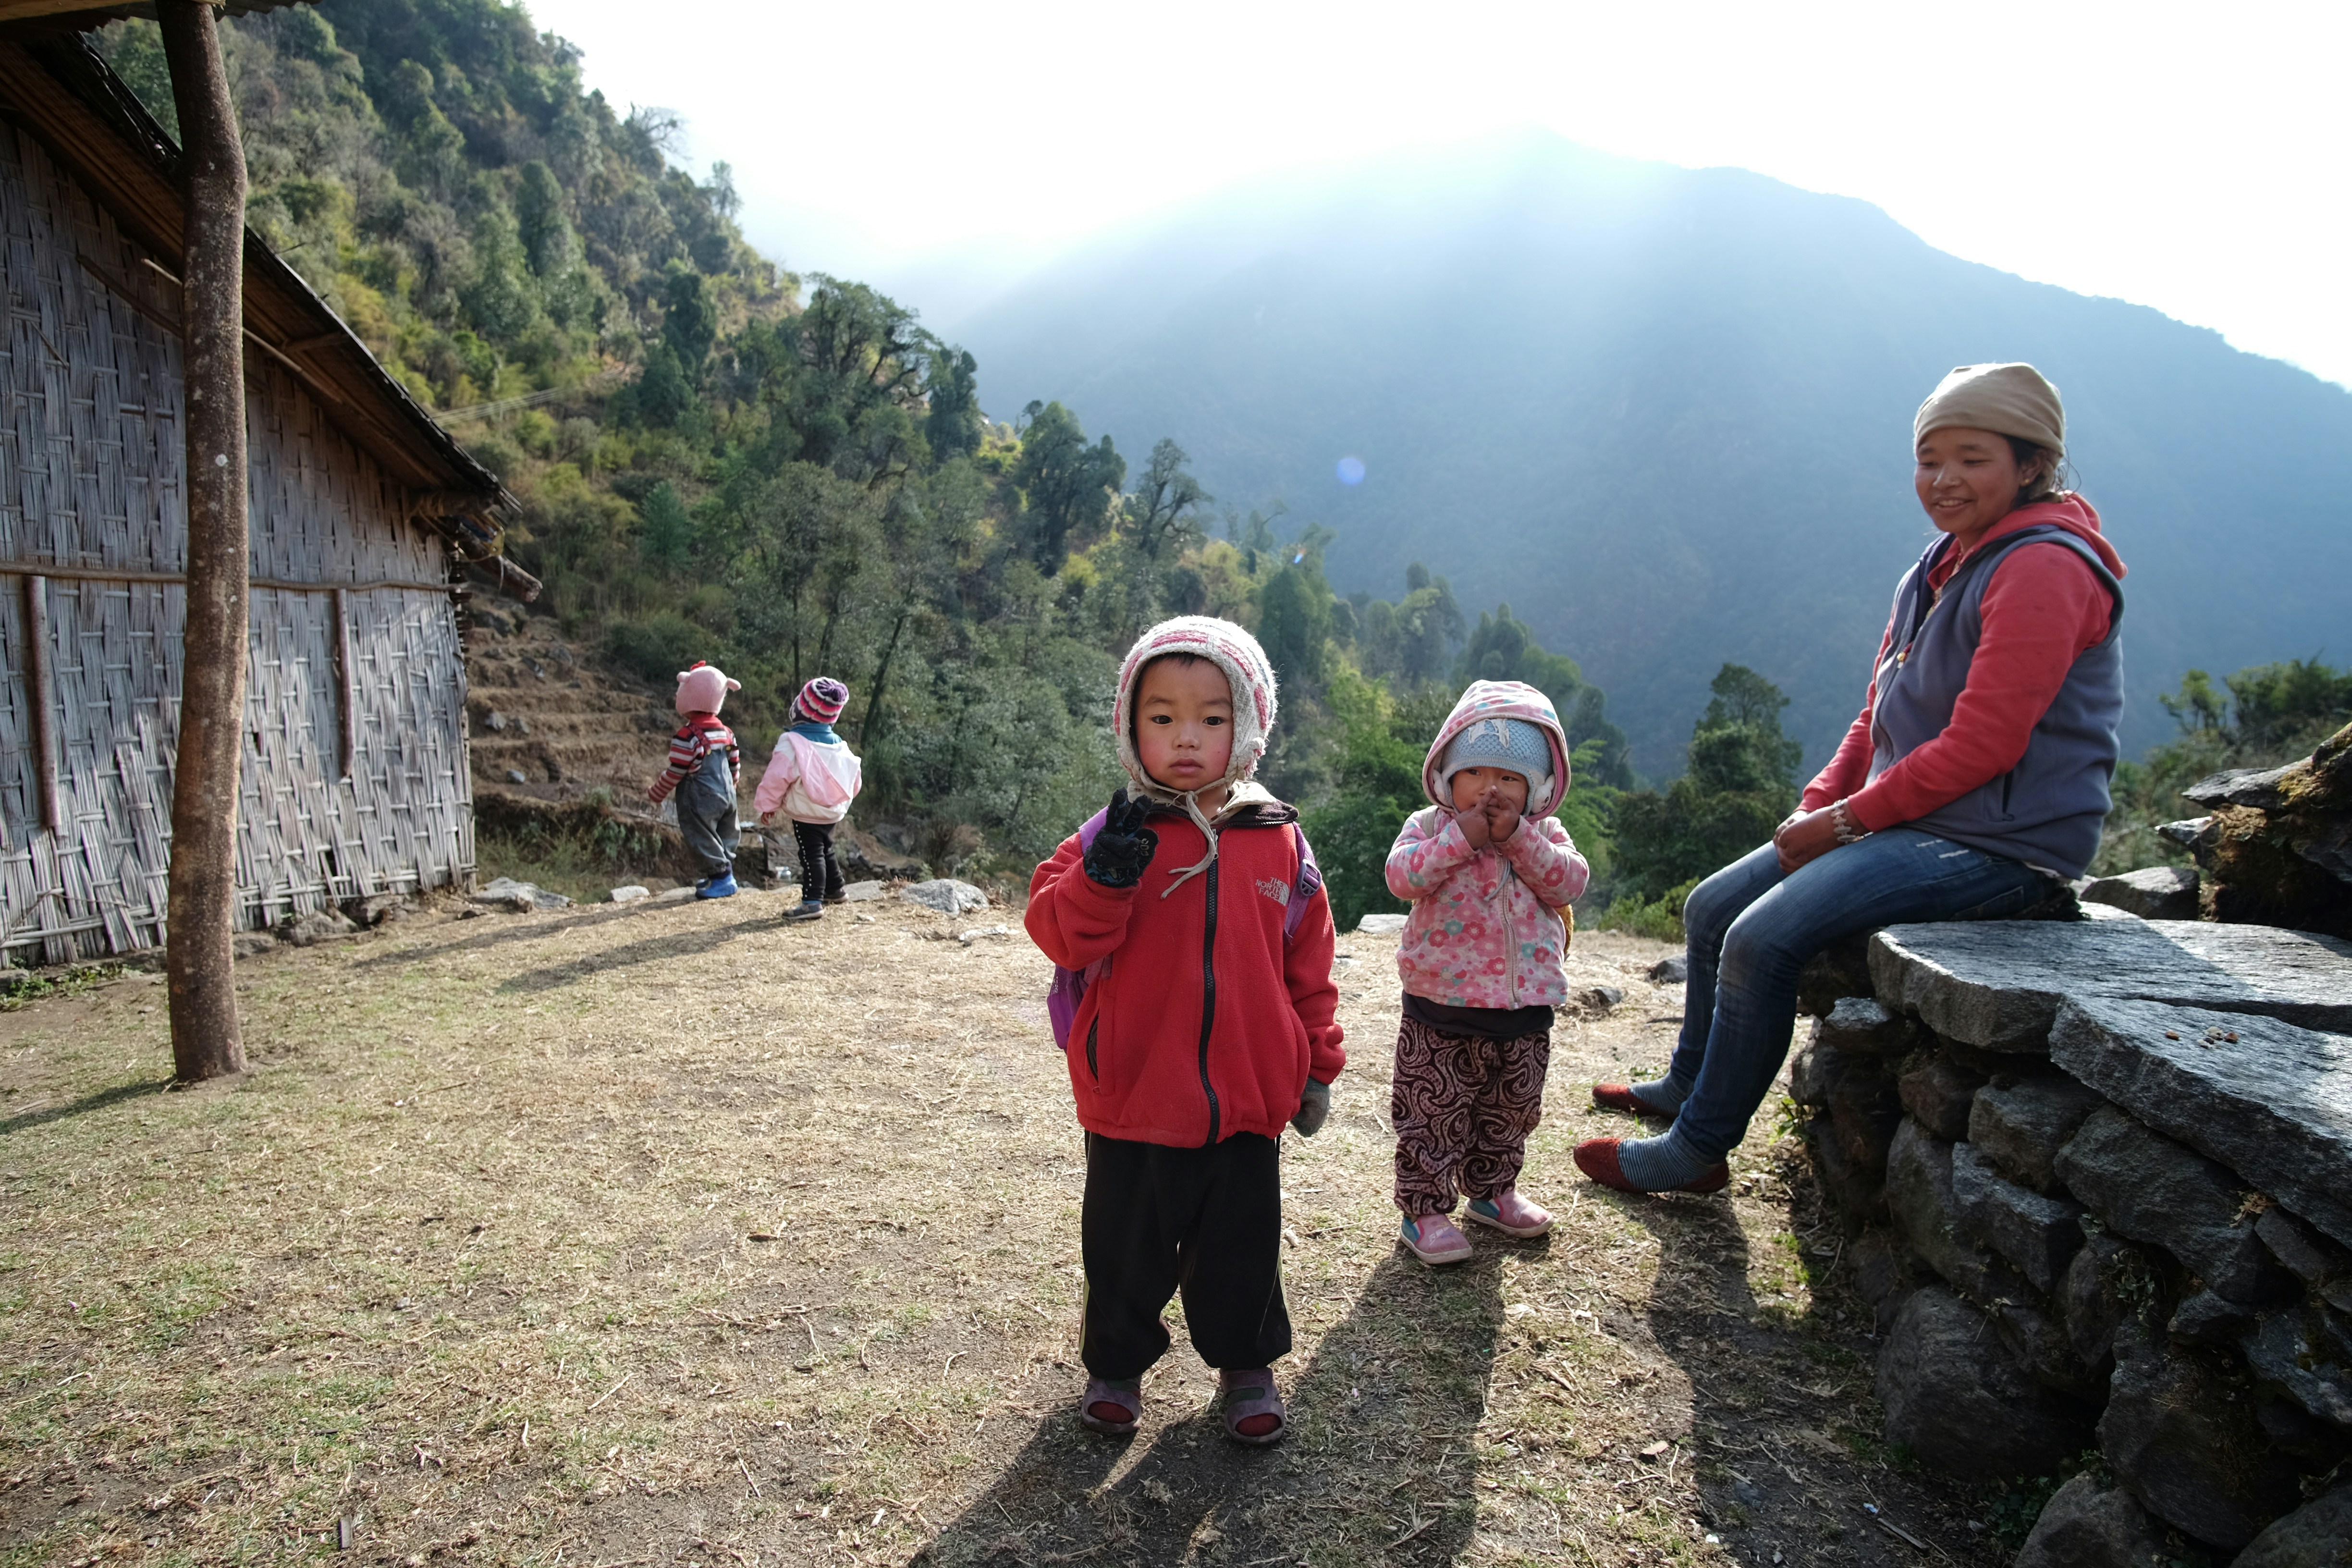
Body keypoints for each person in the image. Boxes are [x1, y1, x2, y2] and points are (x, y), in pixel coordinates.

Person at [1580, 362, 2126, 1194]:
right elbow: (1877, 715)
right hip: (1918, 817)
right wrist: (1815, 805)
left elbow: (1983, 744)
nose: (1944, 480)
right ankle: (1685, 1085)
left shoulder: (2045, 567)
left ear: (2031, 465)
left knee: (1761, 939)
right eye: (1929, 459)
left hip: (2001, 843)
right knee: (1712, 907)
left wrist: (1842, 825)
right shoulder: (1939, 566)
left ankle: (1697, 1150)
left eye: (1972, 459)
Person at [1024, 616, 1344, 1446]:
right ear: (1130, 725)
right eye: (1162, 716)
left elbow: (1308, 964)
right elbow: (1057, 932)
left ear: (1250, 724)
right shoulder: (1108, 833)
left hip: (1247, 1099)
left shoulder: (1279, 837)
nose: (1187, 737)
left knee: (1241, 1248)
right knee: (1122, 1247)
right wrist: (1102, 880)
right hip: (1130, 1094)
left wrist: (1316, 1063)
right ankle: (1116, 1367)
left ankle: (1247, 1366)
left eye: (1212, 716)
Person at [1384, 682, 1591, 1264]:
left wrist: (1518, 840)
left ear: (1538, 789)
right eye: (1473, 772)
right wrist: (1460, 840)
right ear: (1446, 776)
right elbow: (1402, 878)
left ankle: (1494, 1193)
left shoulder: (1545, 835)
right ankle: (1425, 1210)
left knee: (1511, 1110)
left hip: (1525, 1011)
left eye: (1509, 777)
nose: (1489, 789)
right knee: (1432, 1114)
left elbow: (1569, 884)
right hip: (1439, 1009)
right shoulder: (1429, 826)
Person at [754, 677, 863, 922]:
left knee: (810, 853)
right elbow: (855, 778)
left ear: (800, 709)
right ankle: (836, 890)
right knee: (825, 847)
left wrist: (768, 806)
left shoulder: (792, 743)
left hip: (807, 812)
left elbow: (776, 778)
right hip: (834, 811)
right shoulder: (839, 744)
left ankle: (812, 902)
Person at [649, 661, 744, 899]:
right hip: (728, 794)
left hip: (701, 799)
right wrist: (733, 783)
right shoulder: (727, 732)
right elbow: (734, 763)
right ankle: (720, 873)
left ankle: (722, 878)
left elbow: (676, 771)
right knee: (726, 833)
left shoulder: (687, 736)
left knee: (701, 836)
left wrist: (657, 792)